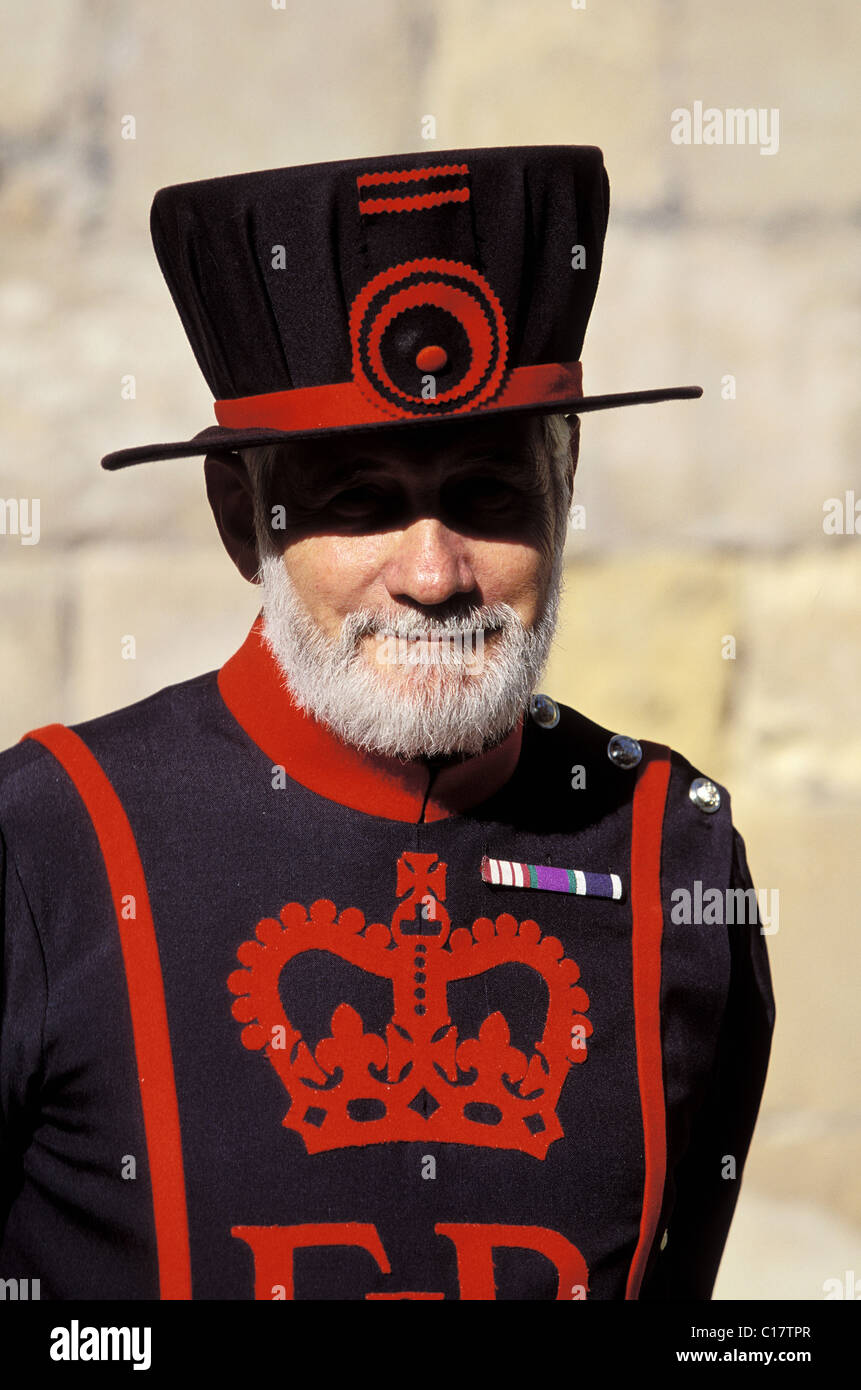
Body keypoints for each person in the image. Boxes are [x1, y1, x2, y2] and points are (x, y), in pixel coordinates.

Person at [0, 145, 774, 1301]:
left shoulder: (679, 852)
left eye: (489, 495)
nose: (433, 572)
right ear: (237, 516)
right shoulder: (47, 839)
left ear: (565, 489)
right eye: (361, 499)